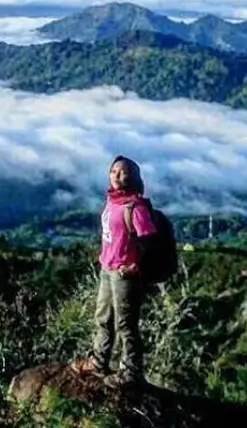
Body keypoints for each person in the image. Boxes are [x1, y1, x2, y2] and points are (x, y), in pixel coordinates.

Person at [71, 155, 157, 388]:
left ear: (134, 177)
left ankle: (131, 372)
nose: (117, 175)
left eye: (123, 172)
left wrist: (134, 265)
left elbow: (149, 238)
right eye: (113, 171)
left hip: (123, 275)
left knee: (126, 324)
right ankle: (99, 361)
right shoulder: (113, 201)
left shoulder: (135, 206)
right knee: (103, 318)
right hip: (106, 269)